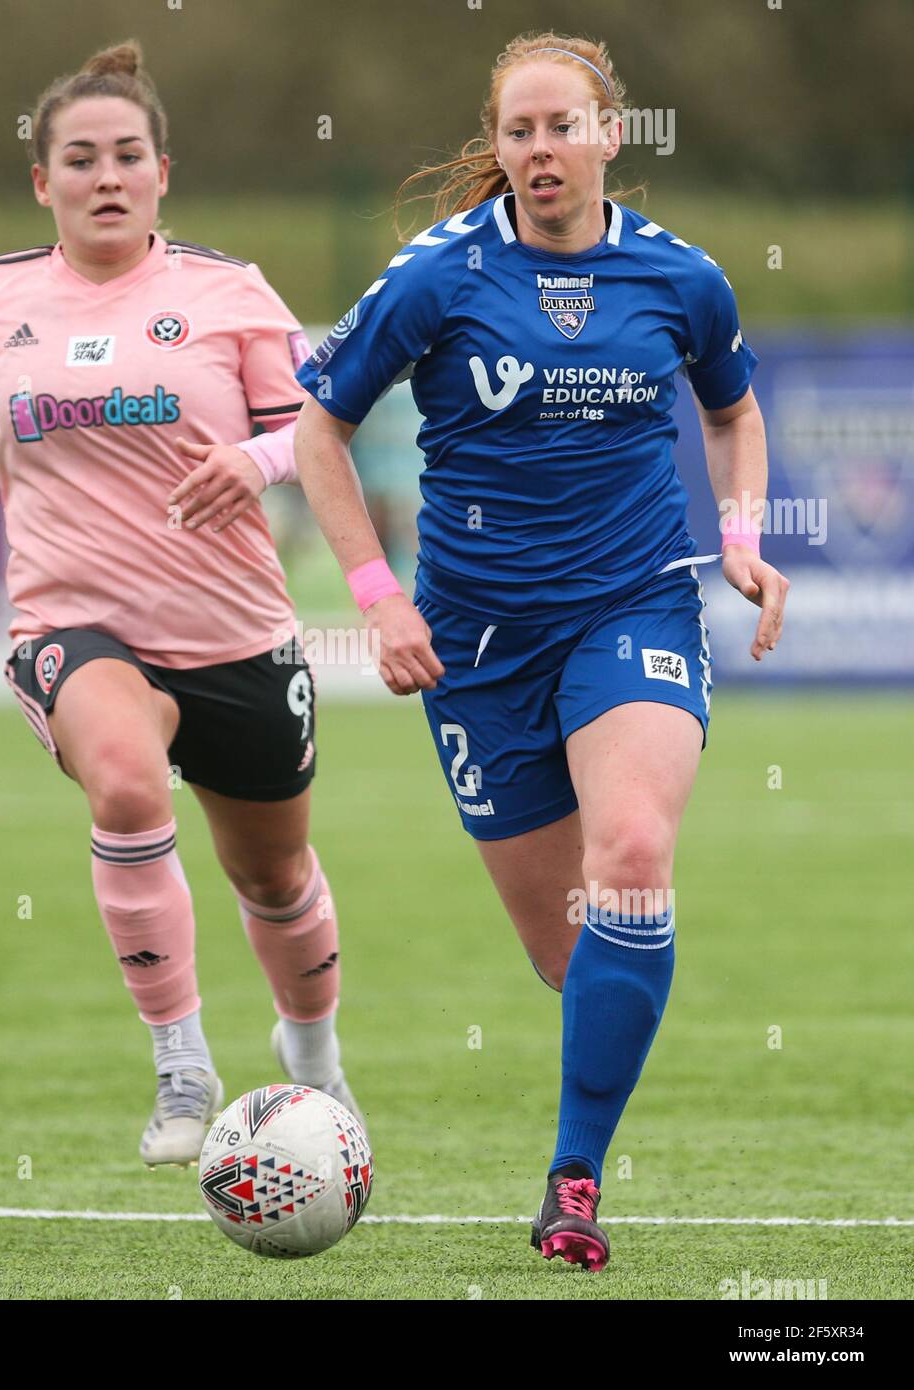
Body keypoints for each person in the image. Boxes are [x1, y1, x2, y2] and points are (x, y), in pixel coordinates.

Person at [0, 38, 361, 1169]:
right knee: (128, 776)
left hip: (236, 635)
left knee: (274, 875)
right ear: (41, 181)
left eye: (127, 156)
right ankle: (183, 1065)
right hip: (71, 628)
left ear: (162, 173)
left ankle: (317, 1067)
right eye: (81, 158)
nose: (107, 176)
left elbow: (317, 426)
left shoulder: (228, 293)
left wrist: (259, 463)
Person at [292, 31, 788, 1270]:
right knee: (571, 951)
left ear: (611, 133)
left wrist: (739, 536)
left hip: (634, 609)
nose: (541, 150)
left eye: (562, 126)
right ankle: (600, 1069)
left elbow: (732, 410)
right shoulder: (437, 275)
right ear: (497, 145)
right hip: (474, 647)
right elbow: (319, 429)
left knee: (632, 852)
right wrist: (376, 594)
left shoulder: (682, 279)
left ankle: (573, 1181)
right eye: (519, 132)